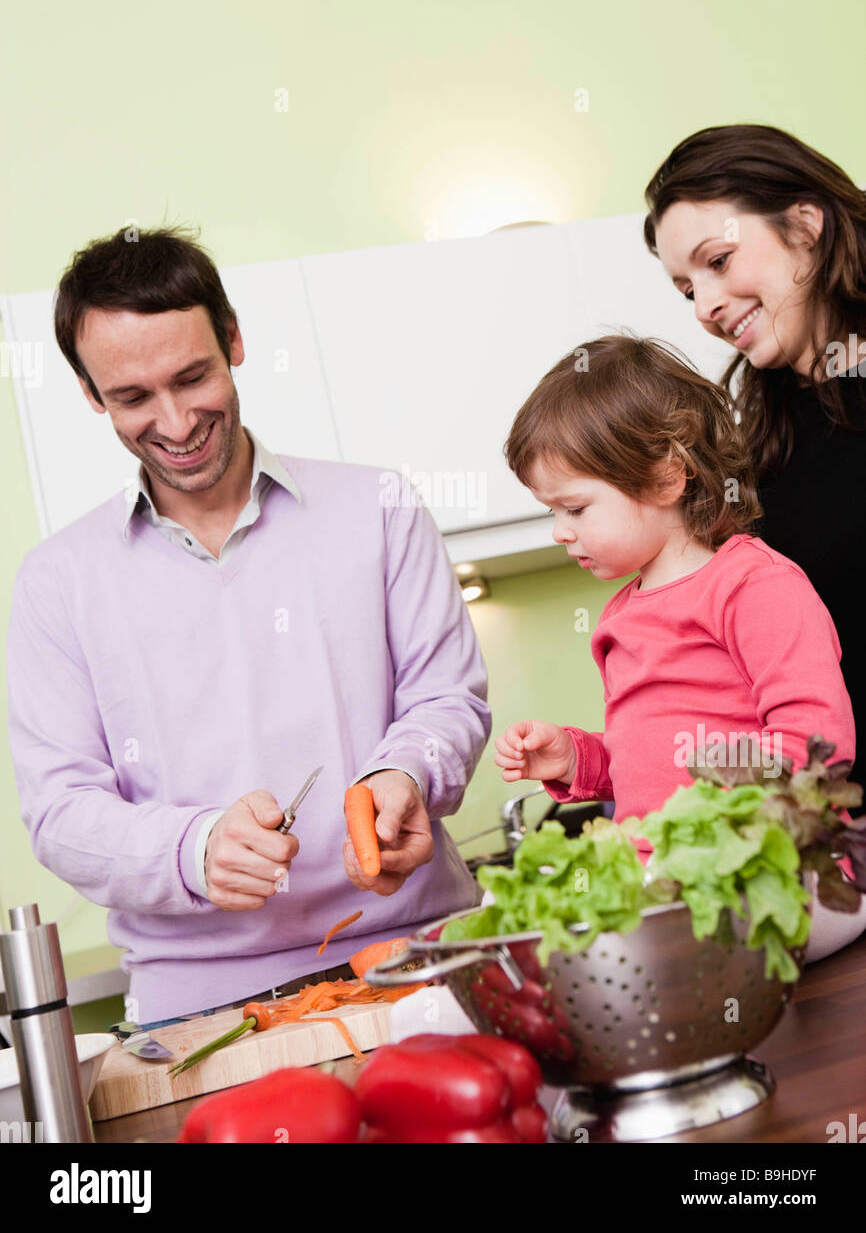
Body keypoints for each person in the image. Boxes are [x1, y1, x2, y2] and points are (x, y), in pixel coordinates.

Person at [5, 225, 490, 1025]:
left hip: (419, 952)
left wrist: (406, 776)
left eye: (191, 376)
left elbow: (448, 703)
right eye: (131, 398)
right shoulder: (58, 582)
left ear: (233, 341)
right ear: (93, 396)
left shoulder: (379, 507)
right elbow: (60, 813)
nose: (174, 421)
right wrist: (192, 851)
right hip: (201, 1004)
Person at [492, 334, 865, 962]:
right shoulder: (621, 616)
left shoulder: (754, 584)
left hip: (786, 874)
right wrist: (578, 759)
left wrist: (704, 831)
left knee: (602, 959)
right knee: (532, 940)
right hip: (670, 881)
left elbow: (816, 743)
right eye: (550, 513)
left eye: (575, 507)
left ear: (667, 475)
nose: (560, 532)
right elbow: (653, 767)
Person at [643, 123, 866, 795]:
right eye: (687, 289)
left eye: (718, 261)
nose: (706, 305)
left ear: (805, 225)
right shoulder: (757, 447)